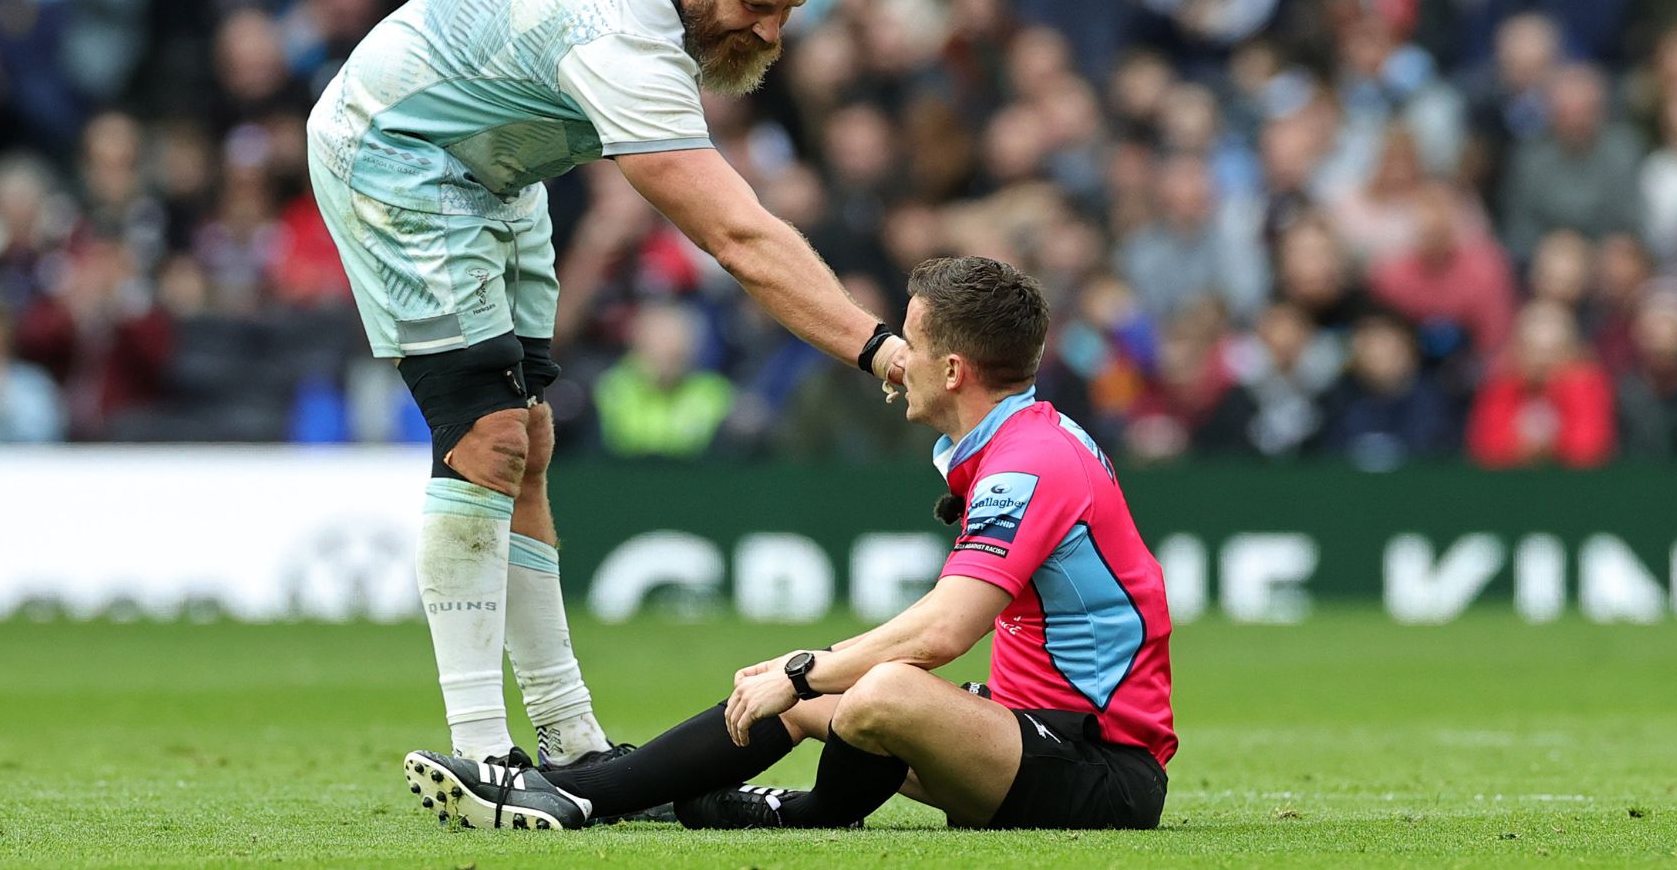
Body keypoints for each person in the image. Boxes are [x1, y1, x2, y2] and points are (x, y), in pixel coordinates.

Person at [306, 0, 910, 779]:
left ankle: (568, 737)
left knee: (530, 443)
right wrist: (880, 346)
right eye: (755, 5)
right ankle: (480, 750)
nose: (772, 32)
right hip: (399, 155)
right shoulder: (618, 36)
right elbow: (740, 238)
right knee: (487, 438)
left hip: (497, 165)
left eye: (789, 10)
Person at [402, 256, 1176, 831]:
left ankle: (792, 816)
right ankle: (594, 793)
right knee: (813, 686)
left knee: (879, 690)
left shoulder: (1028, 465)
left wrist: (806, 673)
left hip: (1103, 769)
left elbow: (944, 631)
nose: (897, 361)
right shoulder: (1027, 441)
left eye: (908, 341)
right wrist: (803, 679)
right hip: (1036, 735)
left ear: (952, 367)